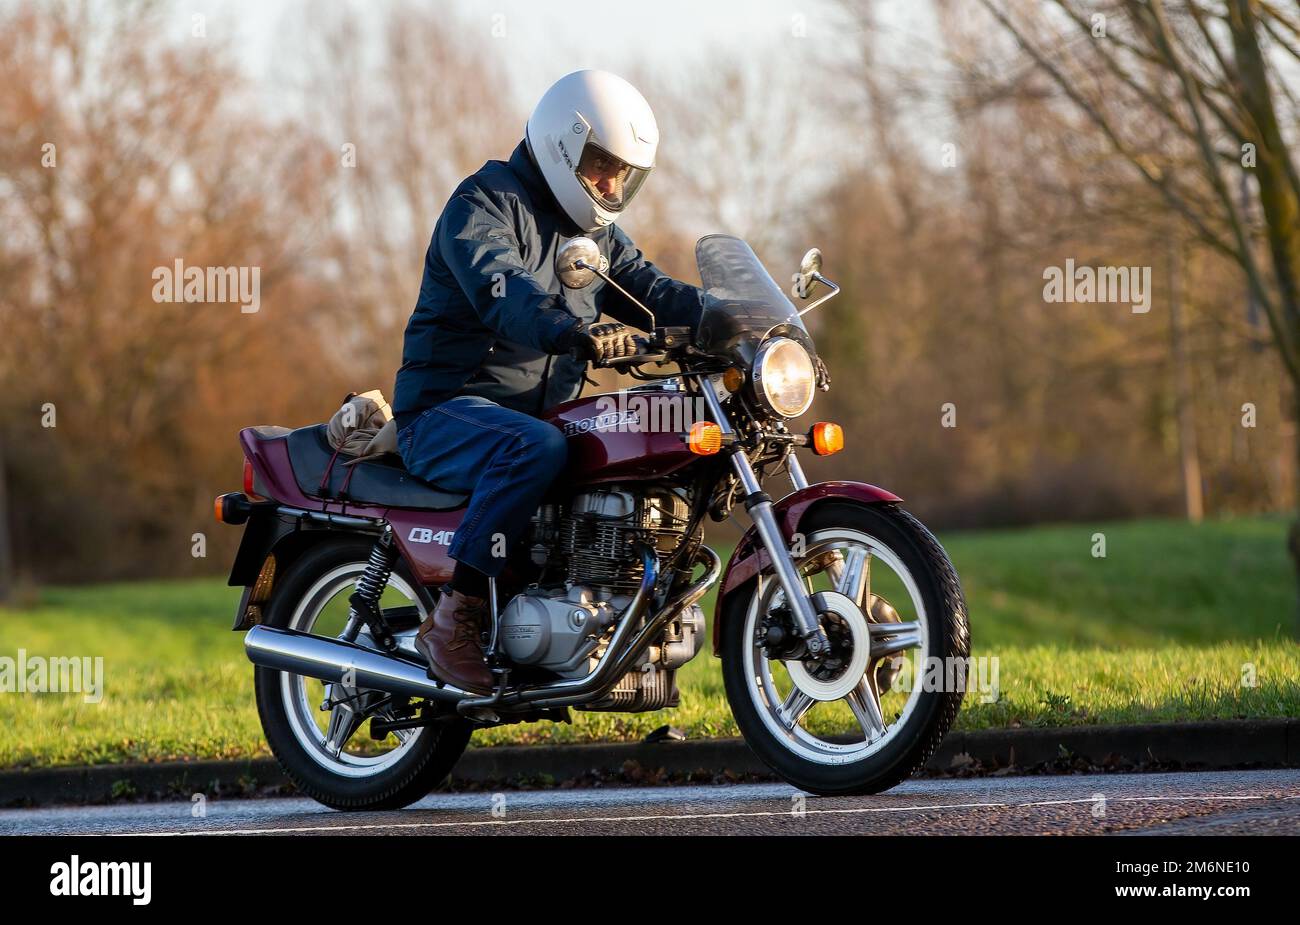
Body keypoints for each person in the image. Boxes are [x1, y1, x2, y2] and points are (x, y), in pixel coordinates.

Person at [392, 70, 709, 693]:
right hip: (446, 411)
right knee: (535, 446)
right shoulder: (482, 204)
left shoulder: (598, 238)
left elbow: (653, 291)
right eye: (602, 165)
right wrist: (572, 331)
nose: (612, 185)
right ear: (566, 143)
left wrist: (732, 319)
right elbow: (505, 292)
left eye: (625, 173)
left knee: (635, 432)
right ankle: (454, 622)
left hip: (536, 417)